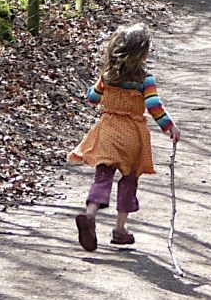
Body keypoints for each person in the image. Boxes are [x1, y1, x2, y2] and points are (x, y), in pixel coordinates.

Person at [67, 23, 181, 251]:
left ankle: (90, 215)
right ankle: (120, 229)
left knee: (103, 177)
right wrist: (170, 127)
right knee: (129, 180)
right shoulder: (146, 80)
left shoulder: (107, 77)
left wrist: (98, 88)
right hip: (133, 135)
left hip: (108, 131)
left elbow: (92, 98)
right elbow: (153, 106)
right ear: (143, 54)